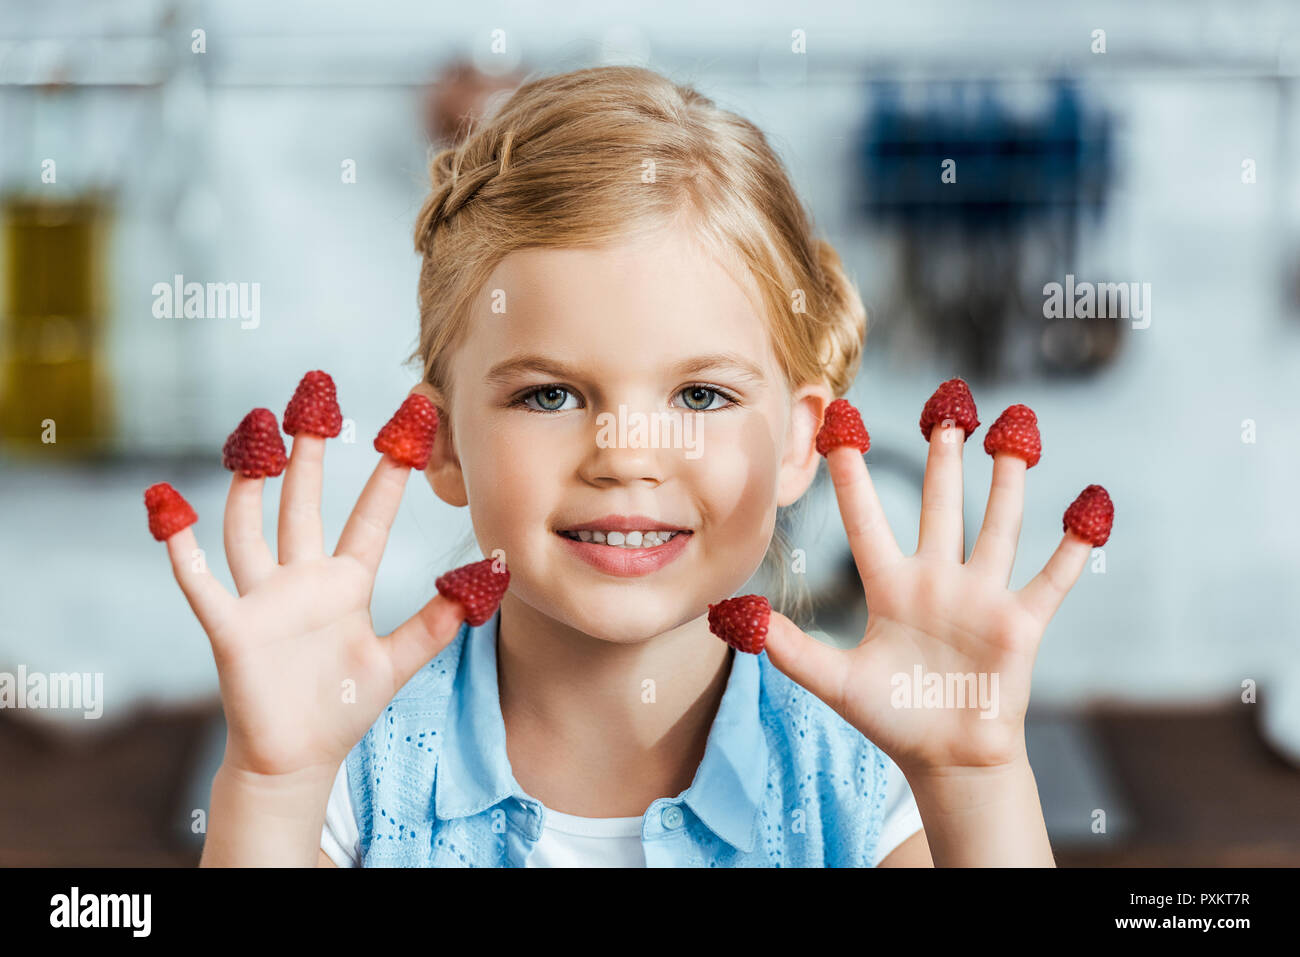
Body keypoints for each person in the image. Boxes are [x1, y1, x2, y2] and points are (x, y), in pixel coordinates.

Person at [153, 65, 1106, 867]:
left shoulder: (872, 781)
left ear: (795, 443)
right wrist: (271, 786)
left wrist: (978, 780)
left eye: (700, 396)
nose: (627, 456)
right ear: (441, 441)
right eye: (550, 395)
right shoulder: (344, 767)